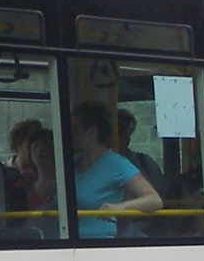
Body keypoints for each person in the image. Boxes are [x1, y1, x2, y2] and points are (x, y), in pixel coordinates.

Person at [68, 101, 161, 238]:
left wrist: (119, 207)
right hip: (66, 240)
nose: (69, 134)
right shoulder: (71, 165)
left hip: (99, 244)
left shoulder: (116, 164)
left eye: (75, 128)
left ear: (92, 132)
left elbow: (154, 200)